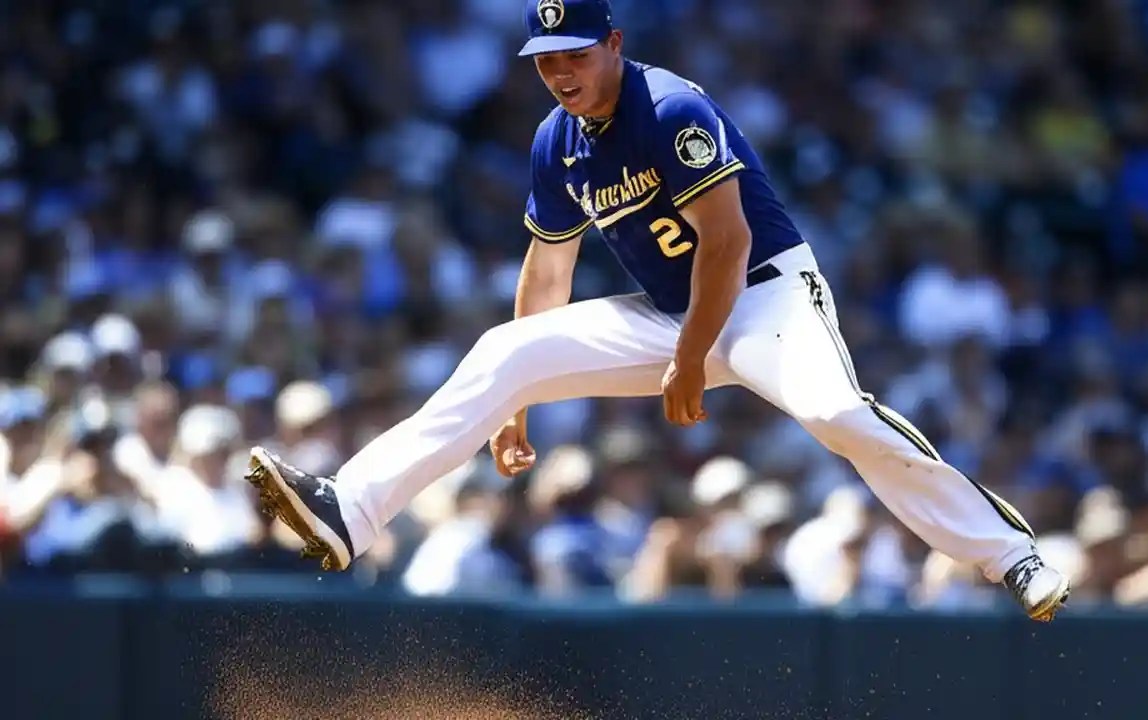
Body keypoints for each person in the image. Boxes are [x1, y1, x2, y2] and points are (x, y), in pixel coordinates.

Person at [245, 0, 1070, 621]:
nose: (560, 71)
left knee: (835, 413)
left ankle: (1011, 557)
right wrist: (517, 399)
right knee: (504, 351)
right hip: (670, 313)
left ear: (613, 43)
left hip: (764, 296)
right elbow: (549, 264)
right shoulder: (555, 140)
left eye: (575, 52)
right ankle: (348, 512)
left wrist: (689, 359)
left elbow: (728, 245)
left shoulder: (671, 109)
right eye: (544, 59)